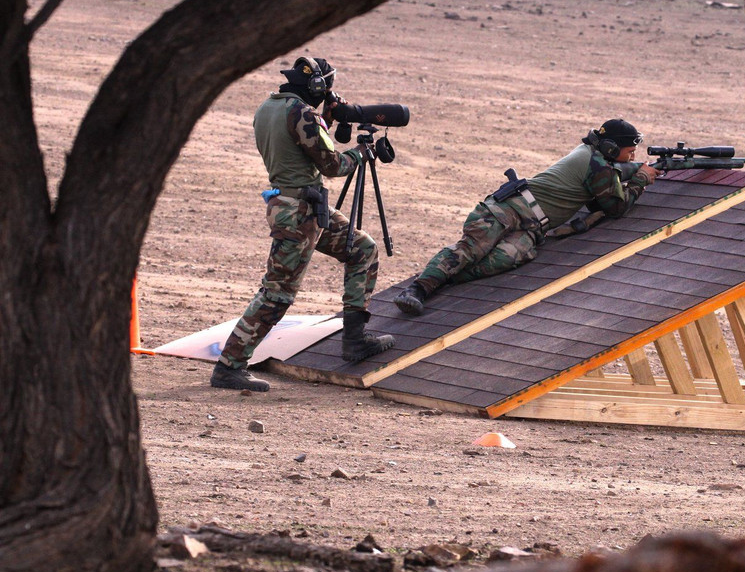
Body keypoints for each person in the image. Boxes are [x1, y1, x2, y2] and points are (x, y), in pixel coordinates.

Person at [210, 56, 395, 392]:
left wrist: (323, 119)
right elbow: (333, 165)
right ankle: (229, 366)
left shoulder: (270, 106)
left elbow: (298, 142)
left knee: (362, 249)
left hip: (298, 207)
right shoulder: (301, 113)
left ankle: (354, 340)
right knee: (277, 292)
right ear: (317, 86)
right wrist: (361, 153)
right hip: (299, 214)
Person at [393, 118, 659, 315]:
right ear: (612, 148)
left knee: (502, 260)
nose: (633, 155)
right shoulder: (596, 164)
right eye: (629, 151)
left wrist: (636, 169)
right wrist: (641, 180)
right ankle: (416, 289)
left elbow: (616, 173)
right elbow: (616, 207)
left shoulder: (595, 157)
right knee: (470, 251)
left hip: (532, 227)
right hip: (510, 208)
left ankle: (439, 282)